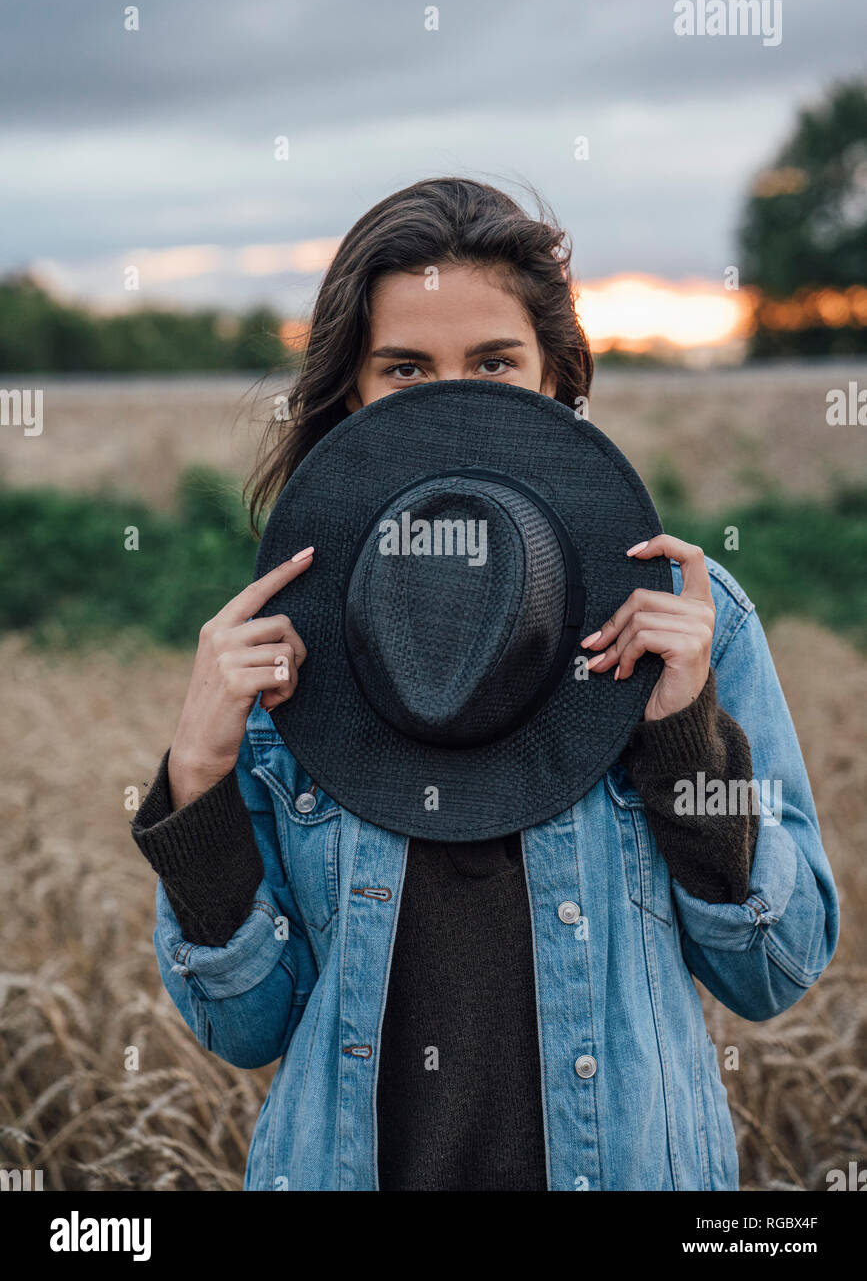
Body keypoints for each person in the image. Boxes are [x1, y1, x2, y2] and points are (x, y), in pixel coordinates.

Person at [131, 177, 839, 1191]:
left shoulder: (687, 617)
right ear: (353, 394)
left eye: (495, 362)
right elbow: (243, 1026)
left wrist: (685, 741)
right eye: (406, 368)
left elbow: (777, 968)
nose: (454, 401)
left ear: (557, 379)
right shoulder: (282, 646)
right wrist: (198, 774)